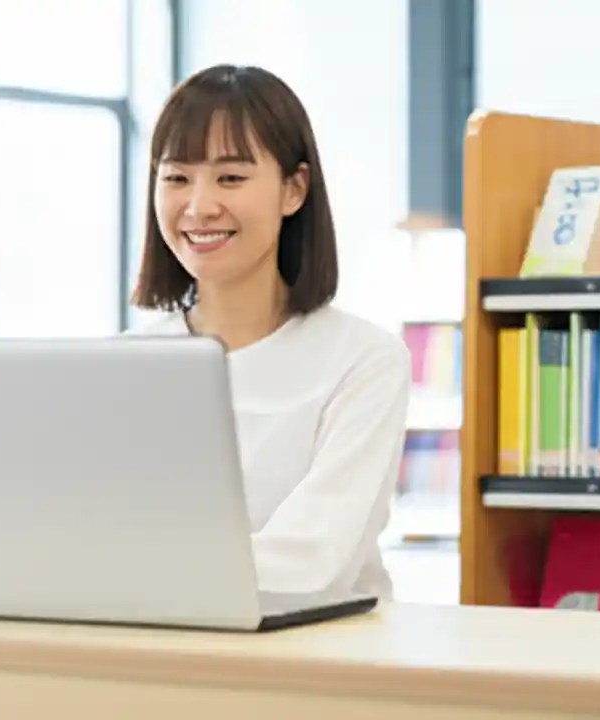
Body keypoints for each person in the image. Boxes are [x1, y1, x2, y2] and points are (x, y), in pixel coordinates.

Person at [127, 64, 411, 602]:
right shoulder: (128, 362)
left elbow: (313, 561)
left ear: (293, 189)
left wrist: (122, 573)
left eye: (230, 178)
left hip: (315, 665)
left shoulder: (363, 361)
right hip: (160, 650)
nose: (198, 205)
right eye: (177, 177)